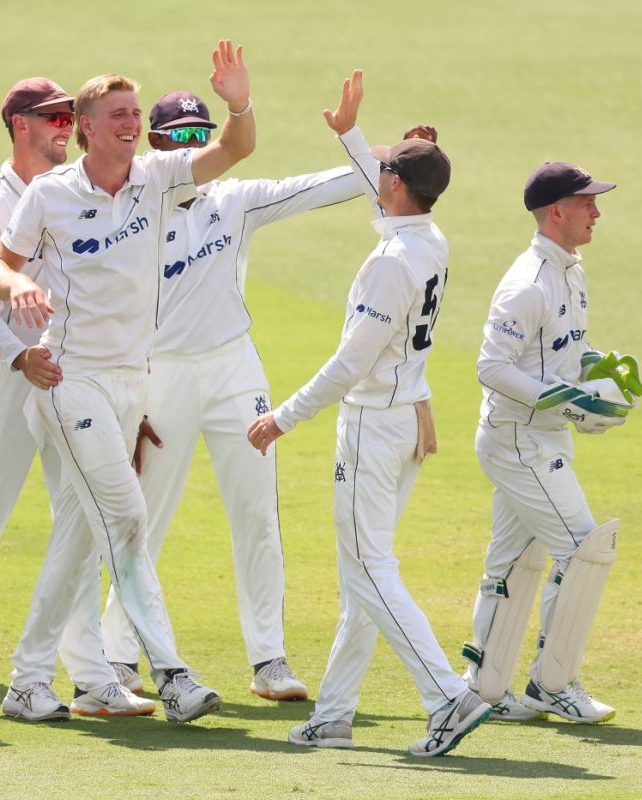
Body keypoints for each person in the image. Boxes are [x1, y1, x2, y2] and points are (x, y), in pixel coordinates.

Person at [0, 40, 256, 724]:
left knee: (78, 539)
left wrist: (238, 103)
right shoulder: (50, 193)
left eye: (136, 113)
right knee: (129, 517)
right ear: (87, 128)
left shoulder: (159, 176)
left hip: (132, 384)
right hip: (70, 381)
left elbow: (235, 149)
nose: (133, 123)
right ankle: (172, 675)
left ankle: (27, 682)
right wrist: (18, 286)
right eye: (119, 115)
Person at [100, 89, 391, 701]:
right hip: (160, 374)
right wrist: (126, 397)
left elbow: (338, 185)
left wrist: (392, 155)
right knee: (143, 517)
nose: (193, 146)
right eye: (180, 136)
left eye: (200, 134)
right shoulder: (127, 208)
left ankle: (269, 660)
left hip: (235, 369)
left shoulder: (236, 200)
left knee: (257, 515)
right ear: (156, 144)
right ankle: (118, 656)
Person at [247, 71, 491, 756]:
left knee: (368, 572)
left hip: (374, 427)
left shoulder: (391, 263)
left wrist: (283, 417)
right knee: (367, 572)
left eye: (383, 168)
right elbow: (383, 185)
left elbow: (350, 364)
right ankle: (334, 714)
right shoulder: (427, 237)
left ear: (396, 186)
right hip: (404, 418)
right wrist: (350, 134)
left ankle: (447, 698)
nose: (373, 173)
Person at [0, 77, 153, 719]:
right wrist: (21, 354)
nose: (66, 127)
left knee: (81, 522)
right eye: (53, 118)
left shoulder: (78, 191)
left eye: (70, 117)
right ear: (20, 124)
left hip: (76, 382)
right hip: (14, 377)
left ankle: (90, 677)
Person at [461, 161, 633, 724]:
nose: (597, 212)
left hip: (543, 437)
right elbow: (492, 367)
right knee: (583, 548)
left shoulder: (571, 271)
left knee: (513, 560)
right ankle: (553, 685)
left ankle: (485, 688)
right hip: (518, 440)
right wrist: (573, 401)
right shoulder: (528, 283)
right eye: (587, 203)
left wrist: (594, 370)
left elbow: (558, 352)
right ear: (556, 211)